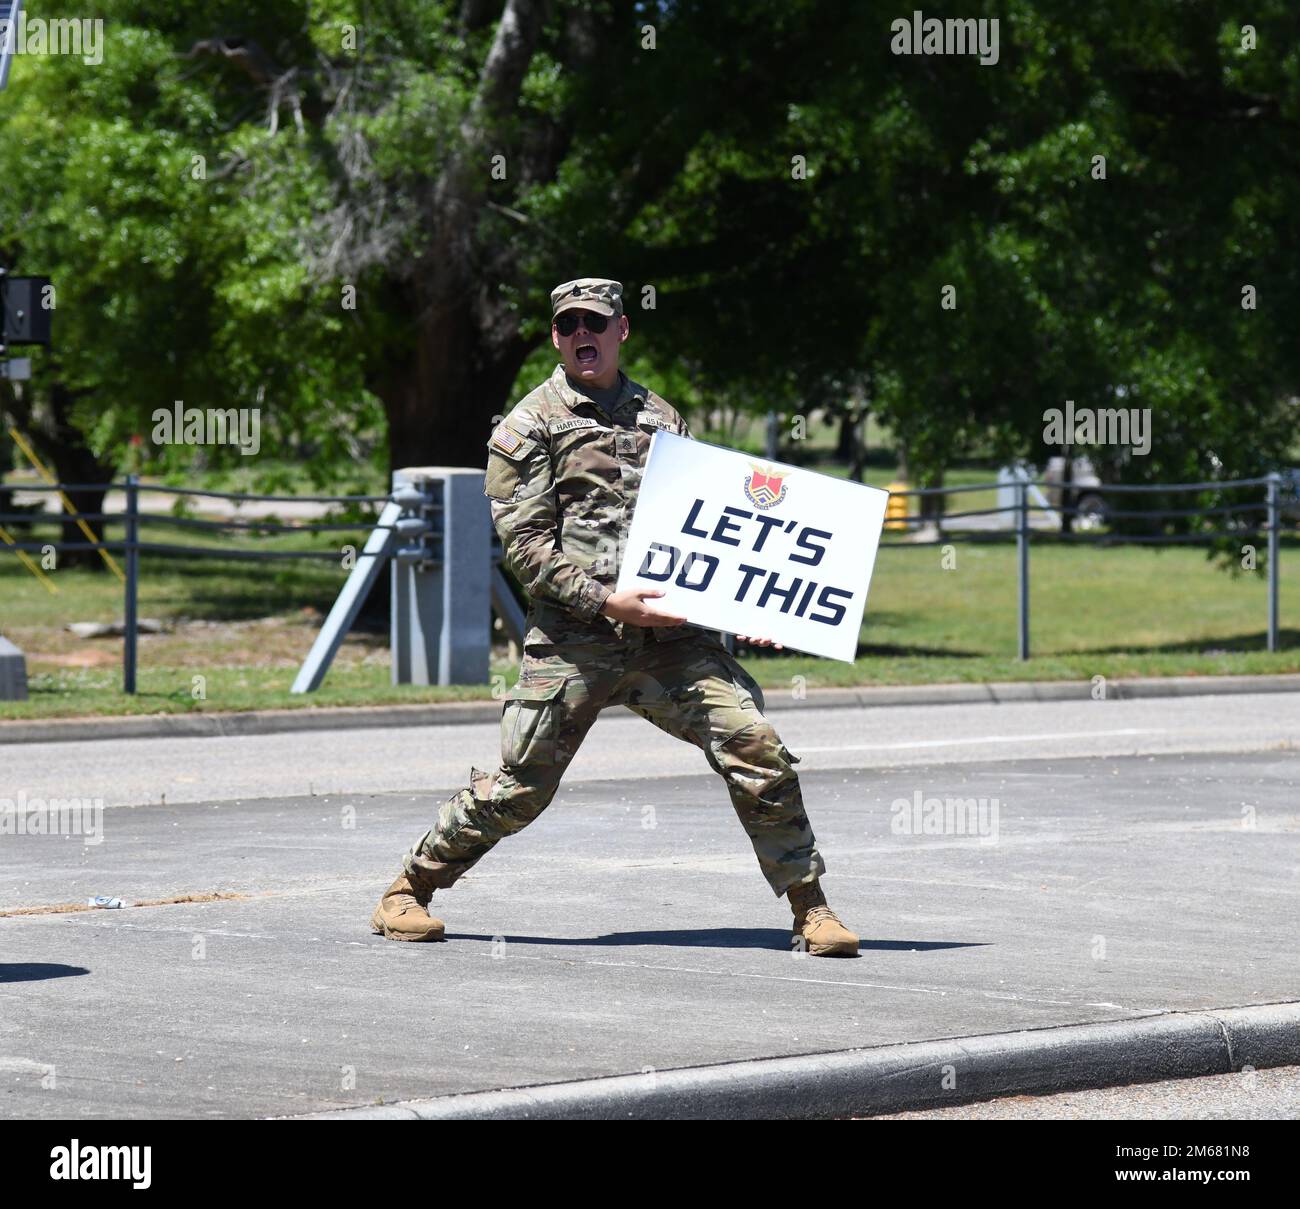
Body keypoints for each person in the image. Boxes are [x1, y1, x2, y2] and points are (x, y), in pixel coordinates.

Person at [371, 277, 859, 957]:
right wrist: (605, 601)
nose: (582, 336)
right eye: (568, 325)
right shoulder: (528, 425)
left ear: (621, 329)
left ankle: (812, 909)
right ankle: (408, 888)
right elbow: (525, 548)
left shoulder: (662, 418)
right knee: (519, 789)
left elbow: (709, 535)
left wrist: (748, 604)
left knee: (758, 746)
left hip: (671, 644)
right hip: (576, 641)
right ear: (555, 337)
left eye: (593, 323)